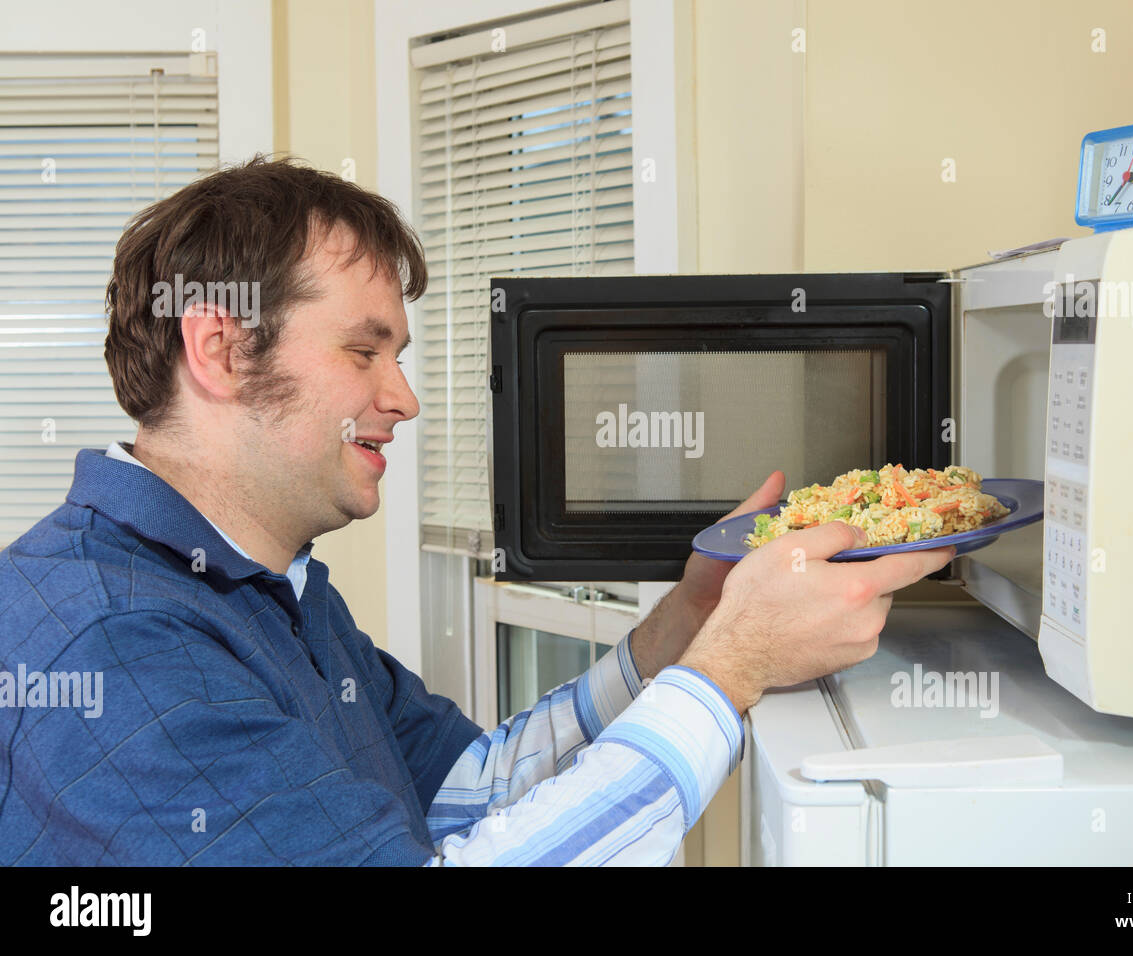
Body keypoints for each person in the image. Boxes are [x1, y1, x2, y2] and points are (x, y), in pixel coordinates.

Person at [0, 157, 953, 865]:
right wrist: (733, 668)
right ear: (219, 348)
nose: (404, 398)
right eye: (365, 352)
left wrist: (686, 629)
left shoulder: (267, 586)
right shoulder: (114, 642)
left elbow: (469, 792)